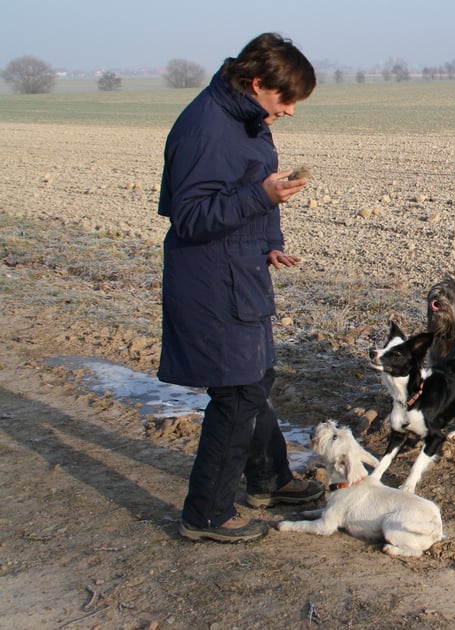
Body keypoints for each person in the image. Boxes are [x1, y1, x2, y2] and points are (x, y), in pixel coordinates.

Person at [157, 33, 323, 543]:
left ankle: (270, 479)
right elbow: (189, 216)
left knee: (256, 378)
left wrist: (270, 238)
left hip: (242, 269)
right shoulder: (205, 128)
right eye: (285, 99)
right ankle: (206, 515)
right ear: (255, 84)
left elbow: (257, 190)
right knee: (237, 391)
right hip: (211, 278)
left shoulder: (249, 121)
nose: (291, 112)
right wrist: (260, 196)